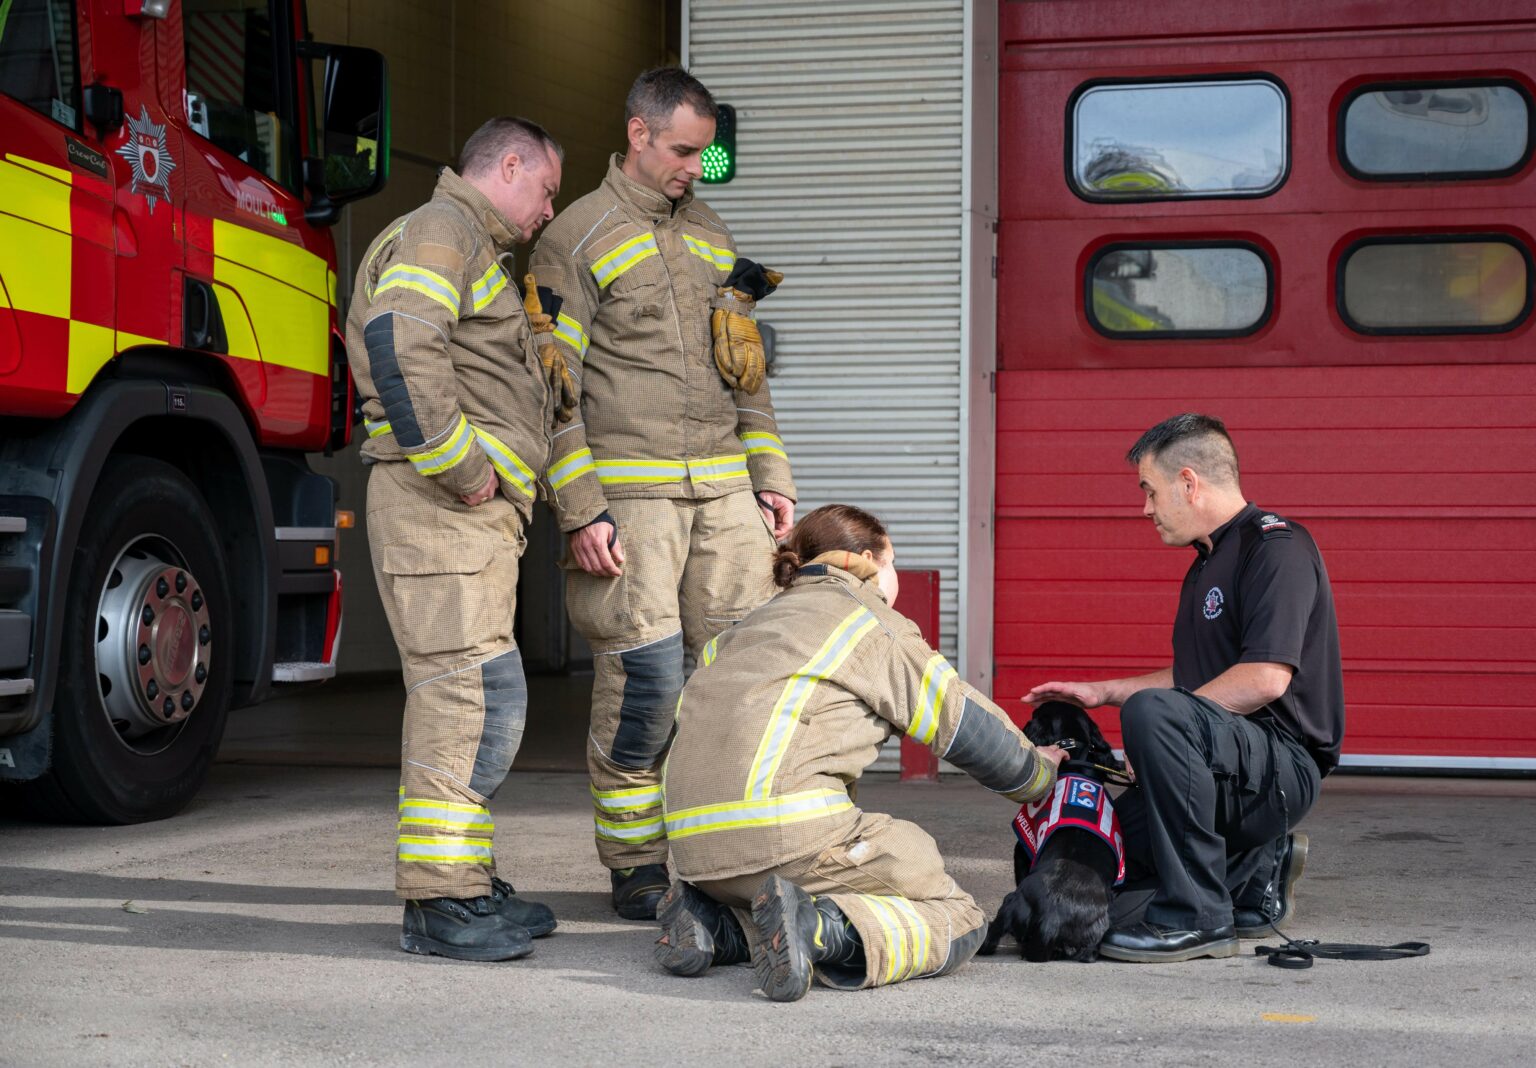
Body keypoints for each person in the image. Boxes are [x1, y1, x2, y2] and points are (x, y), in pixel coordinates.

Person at [529, 67, 797, 920]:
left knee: (742, 678)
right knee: (644, 684)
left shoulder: (712, 232)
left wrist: (771, 480)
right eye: (683, 151)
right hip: (631, 496)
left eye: (704, 153)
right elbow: (550, 388)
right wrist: (580, 509)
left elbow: (746, 371)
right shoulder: (574, 237)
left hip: (723, 491)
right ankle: (637, 865)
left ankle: (731, 857)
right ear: (638, 134)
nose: (694, 168)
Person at [654, 504, 1067, 1001]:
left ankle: (717, 926)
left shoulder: (742, 630)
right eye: (893, 562)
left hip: (696, 856)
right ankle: (818, 929)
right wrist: (1040, 772)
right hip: (783, 840)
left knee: (799, 878)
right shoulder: (869, 623)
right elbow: (964, 726)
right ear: (870, 560)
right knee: (957, 915)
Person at [346, 117, 572, 962]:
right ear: (508, 166)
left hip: (466, 519)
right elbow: (400, 343)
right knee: (463, 697)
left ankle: (466, 879)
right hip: (440, 506)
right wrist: (464, 469)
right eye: (545, 189)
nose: (549, 210)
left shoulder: (470, 246)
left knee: (485, 697)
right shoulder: (443, 230)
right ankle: (440, 901)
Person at [1027, 413, 1344, 963]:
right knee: (1102, 848)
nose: (1145, 509)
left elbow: (1265, 678)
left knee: (1155, 715)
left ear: (1189, 482)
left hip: (1281, 771)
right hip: (1226, 765)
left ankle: (1199, 918)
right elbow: (1195, 679)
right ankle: (1255, 870)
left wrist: (1164, 731)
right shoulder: (1206, 563)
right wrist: (1104, 691)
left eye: (1149, 491)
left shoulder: (1276, 548)